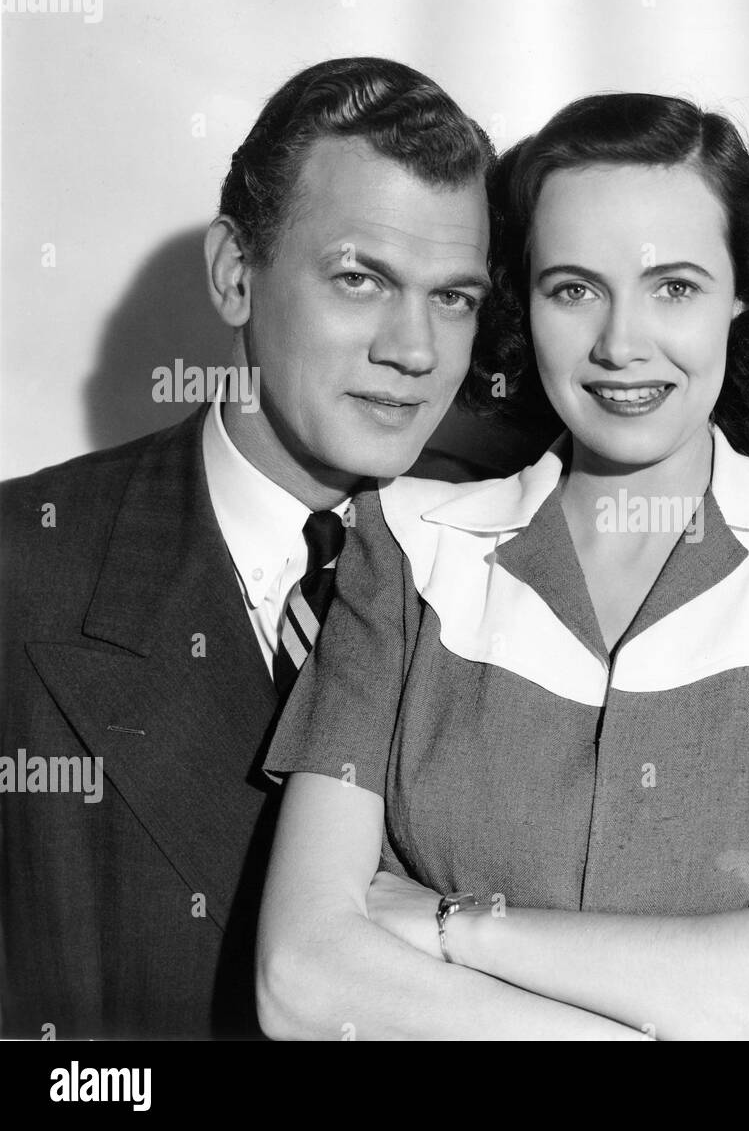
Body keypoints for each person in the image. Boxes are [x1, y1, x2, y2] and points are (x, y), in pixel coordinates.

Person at [257, 92, 749, 1040]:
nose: (620, 344)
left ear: (743, 292)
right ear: (524, 297)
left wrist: (454, 929)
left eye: (675, 287)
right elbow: (301, 978)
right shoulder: (403, 545)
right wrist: (711, 992)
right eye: (574, 288)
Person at [0, 56, 498, 1038]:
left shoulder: (532, 564)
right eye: (361, 279)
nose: (415, 349)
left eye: (454, 297)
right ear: (237, 273)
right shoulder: (23, 573)